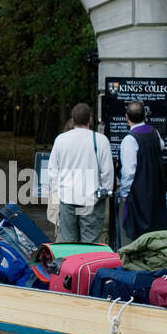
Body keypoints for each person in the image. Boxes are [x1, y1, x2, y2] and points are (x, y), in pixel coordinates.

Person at [47, 102, 114, 243]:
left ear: (72, 119)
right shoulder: (101, 141)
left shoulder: (61, 139)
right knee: (90, 242)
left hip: (67, 199)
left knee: (68, 243)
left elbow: (53, 170)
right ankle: (87, 265)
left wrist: (58, 192)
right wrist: (104, 192)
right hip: (92, 201)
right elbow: (107, 172)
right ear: (90, 119)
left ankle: (72, 265)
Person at [118, 100, 167, 242]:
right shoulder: (154, 133)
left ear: (127, 117)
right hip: (156, 187)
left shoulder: (130, 140)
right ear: (145, 115)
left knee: (137, 231)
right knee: (155, 227)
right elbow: (162, 146)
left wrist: (124, 192)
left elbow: (128, 171)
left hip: (138, 191)